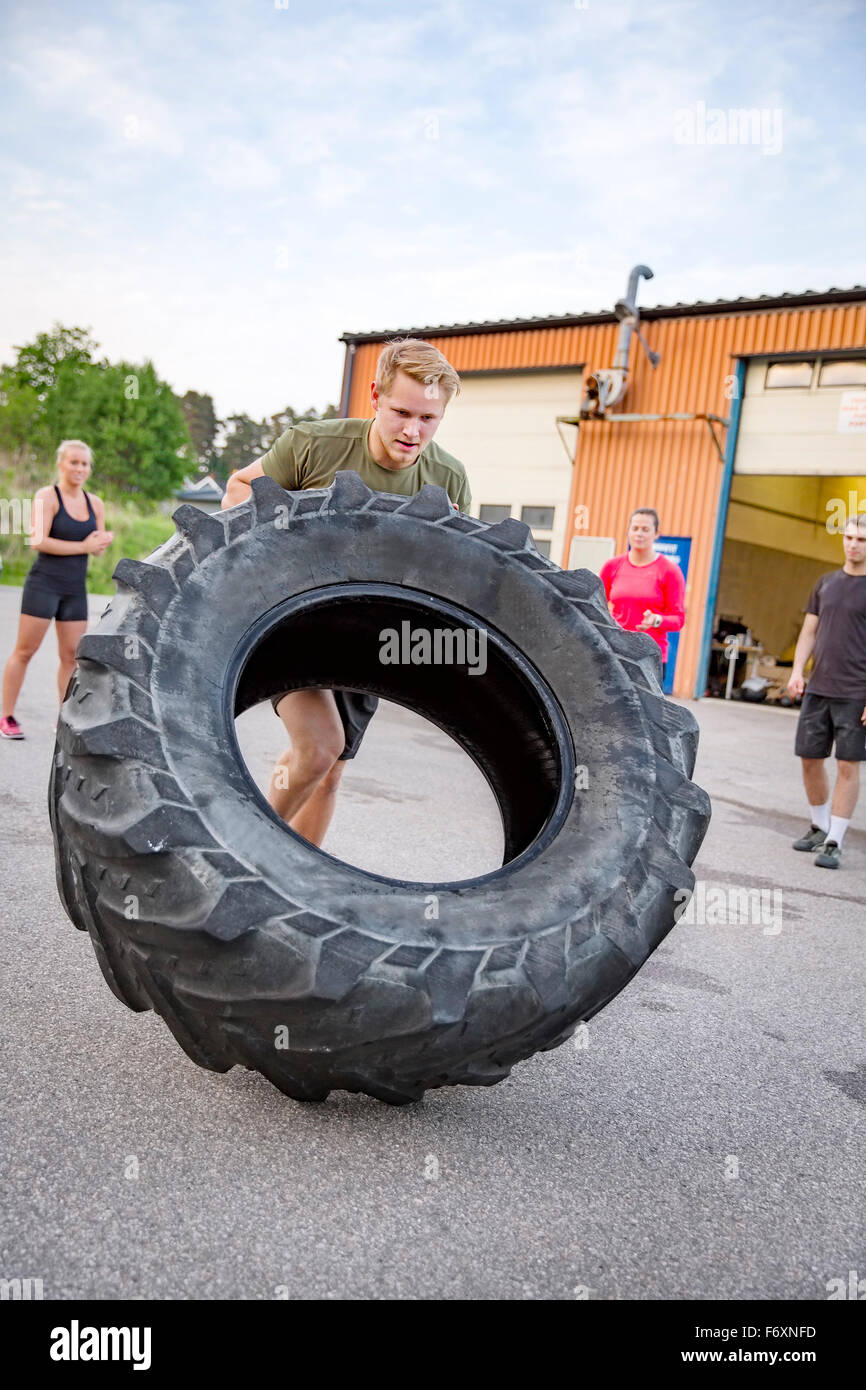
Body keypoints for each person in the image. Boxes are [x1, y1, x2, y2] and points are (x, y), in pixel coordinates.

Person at [221, 337, 470, 848]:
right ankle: (245, 849)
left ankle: (301, 882)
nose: (412, 430)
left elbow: (454, 570)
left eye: (428, 419)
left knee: (329, 769)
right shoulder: (314, 444)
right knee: (319, 747)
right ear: (375, 395)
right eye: (401, 412)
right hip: (293, 620)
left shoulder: (447, 480)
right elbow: (238, 490)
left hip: (368, 641)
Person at [1, 440, 113, 740]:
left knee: (71, 657)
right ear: (61, 464)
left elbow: (96, 549)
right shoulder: (46, 496)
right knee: (25, 651)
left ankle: (64, 718)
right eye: (73, 462)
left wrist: (101, 543)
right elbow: (37, 540)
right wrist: (85, 546)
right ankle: (7, 716)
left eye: (84, 464)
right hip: (44, 584)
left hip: (74, 588)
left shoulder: (95, 503)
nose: (79, 468)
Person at [787, 513, 866, 869]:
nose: (853, 544)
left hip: (856, 692)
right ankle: (819, 826)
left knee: (848, 764)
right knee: (809, 757)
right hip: (819, 687)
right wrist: (796, 672)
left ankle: (835, 839)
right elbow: (809, 632)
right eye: (849, 537)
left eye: (861, 540)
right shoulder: (826, 584)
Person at [599, 507, 686, 679]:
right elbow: (596, 604)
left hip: (650, 656)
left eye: (646, 530)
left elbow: (678, 619)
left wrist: (656, 620)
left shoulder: (669, 571)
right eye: (635, 528)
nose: (639, 534)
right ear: (628, 531)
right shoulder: (612, 567)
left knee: (646, 707)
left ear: (656, 534)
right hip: (615, 651)